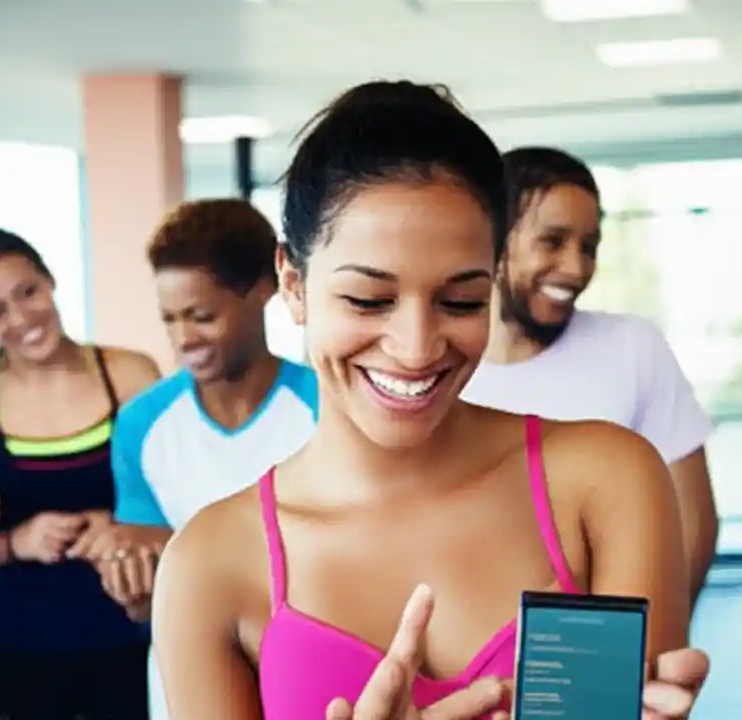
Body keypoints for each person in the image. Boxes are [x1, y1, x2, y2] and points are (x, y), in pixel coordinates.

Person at [153, 81, 710, 719]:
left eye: (461, 301)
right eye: (368, 299)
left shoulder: (606, 480)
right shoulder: (209, 565)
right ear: (294, 283)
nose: (417, 349)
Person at [75, 199, 318, 718]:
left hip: (310, 685)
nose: (184, 339)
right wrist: (129, 576)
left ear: (264, 289)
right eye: (170, 319)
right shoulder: (143, 425)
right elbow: (146, 589)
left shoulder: (324, 409)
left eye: (202, 316)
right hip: (184, 692)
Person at [461, 146, 718, 607]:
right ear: (494, 241)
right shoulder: (448, 367)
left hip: (607, 649)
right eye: (553, 241)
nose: (576, 268)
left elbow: (691, 520)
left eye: (589, 246)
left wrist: (651, 643)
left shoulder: (633, 348)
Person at [0, 229, 161, 719]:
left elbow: (181, 507)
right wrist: (18, 542)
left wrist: (124, 526)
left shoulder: (130, 375)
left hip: (126, 637)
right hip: (20, 651)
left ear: (51, 281)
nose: (21, 318)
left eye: (28, 292)